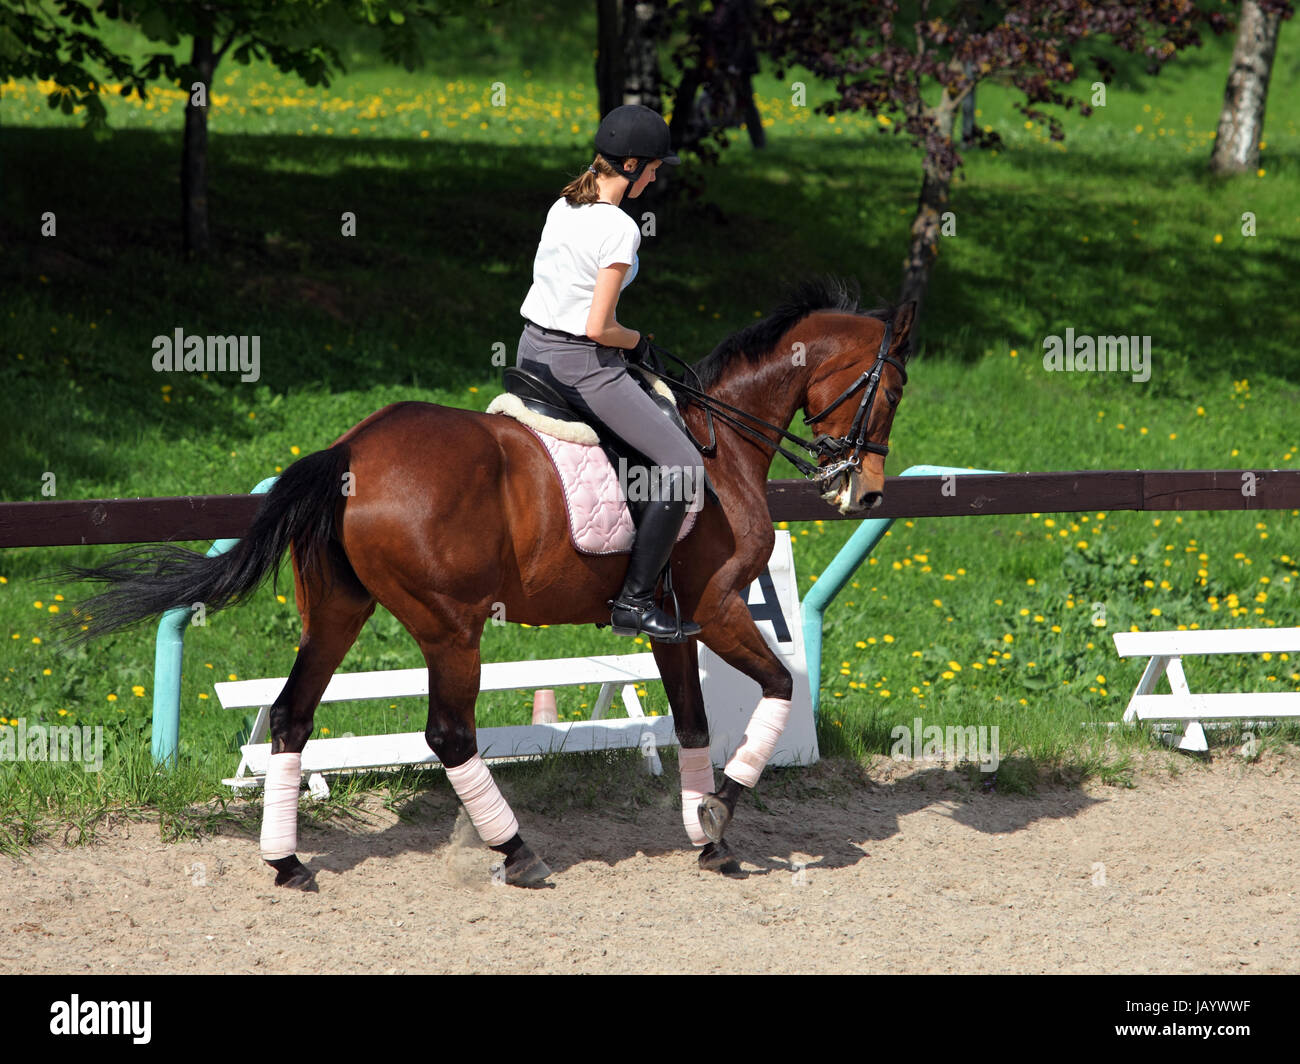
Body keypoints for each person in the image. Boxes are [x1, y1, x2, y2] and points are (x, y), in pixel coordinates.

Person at [516, 104, 704, 643]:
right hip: (582, 364)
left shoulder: (562, 206)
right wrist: (640, 340)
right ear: (629, 164)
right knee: (683, 463)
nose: (656, 175)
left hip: (531, 352)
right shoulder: (620, 229)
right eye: (652, 167)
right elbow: (599, 327)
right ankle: (635, 601)